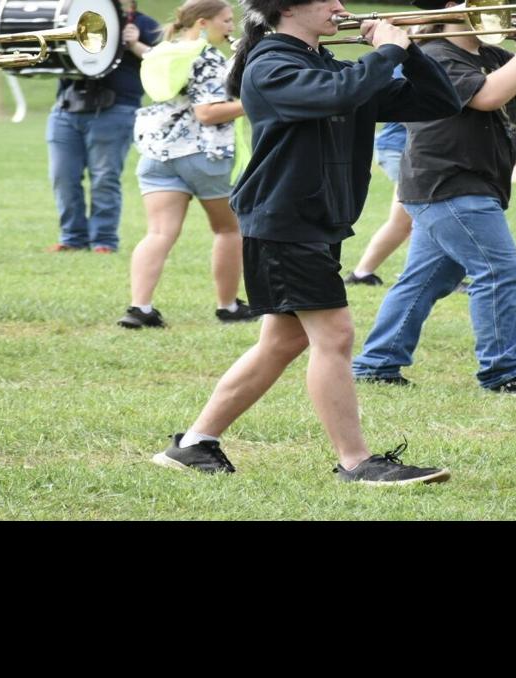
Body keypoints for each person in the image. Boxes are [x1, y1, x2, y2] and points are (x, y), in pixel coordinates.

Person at [151, 0, 460, 484]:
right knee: (334, 336)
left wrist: (411, 52)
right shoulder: (271, 65)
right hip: (284, 220)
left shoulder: (331, 68)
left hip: (314, 220)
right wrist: (386, 54)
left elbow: (440, 102)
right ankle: (356, 462)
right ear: (289, 7)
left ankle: (194, 444)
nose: (341, 7)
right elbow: (337, 95)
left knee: (283, 340)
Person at [352, 0, 516, 395]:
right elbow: (486, 97)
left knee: (423, 281)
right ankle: (503, 373)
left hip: (466, 184)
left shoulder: (490, 55)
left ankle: (376, 363)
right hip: (450, 183)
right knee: (498, 270)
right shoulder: (435, 55)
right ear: (451, 8)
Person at [119, 0, 255, 328]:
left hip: (158, 152)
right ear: (203, 23)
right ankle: (228, 306)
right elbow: (207, 113)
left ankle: (140, 308)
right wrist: (254, 101)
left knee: (158, 232)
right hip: (203, 154)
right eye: (226, 20)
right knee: (228, 229)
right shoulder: (206, 56)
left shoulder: (162, 51)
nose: (231, 27)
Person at [45, 0, 161, 254]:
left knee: (104, 179)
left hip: (115, 110)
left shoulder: (144, 24)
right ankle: (72, 238)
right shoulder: (72, 17)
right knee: (62, 177)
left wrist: (135, 44)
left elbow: (163, 64)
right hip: (66, 108)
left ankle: (104, 240)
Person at [343, 118, 409, 287]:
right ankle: (362, 273)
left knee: (406, 221)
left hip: (402, 148)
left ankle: (362, 273)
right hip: (401, 149)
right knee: (411, 219)